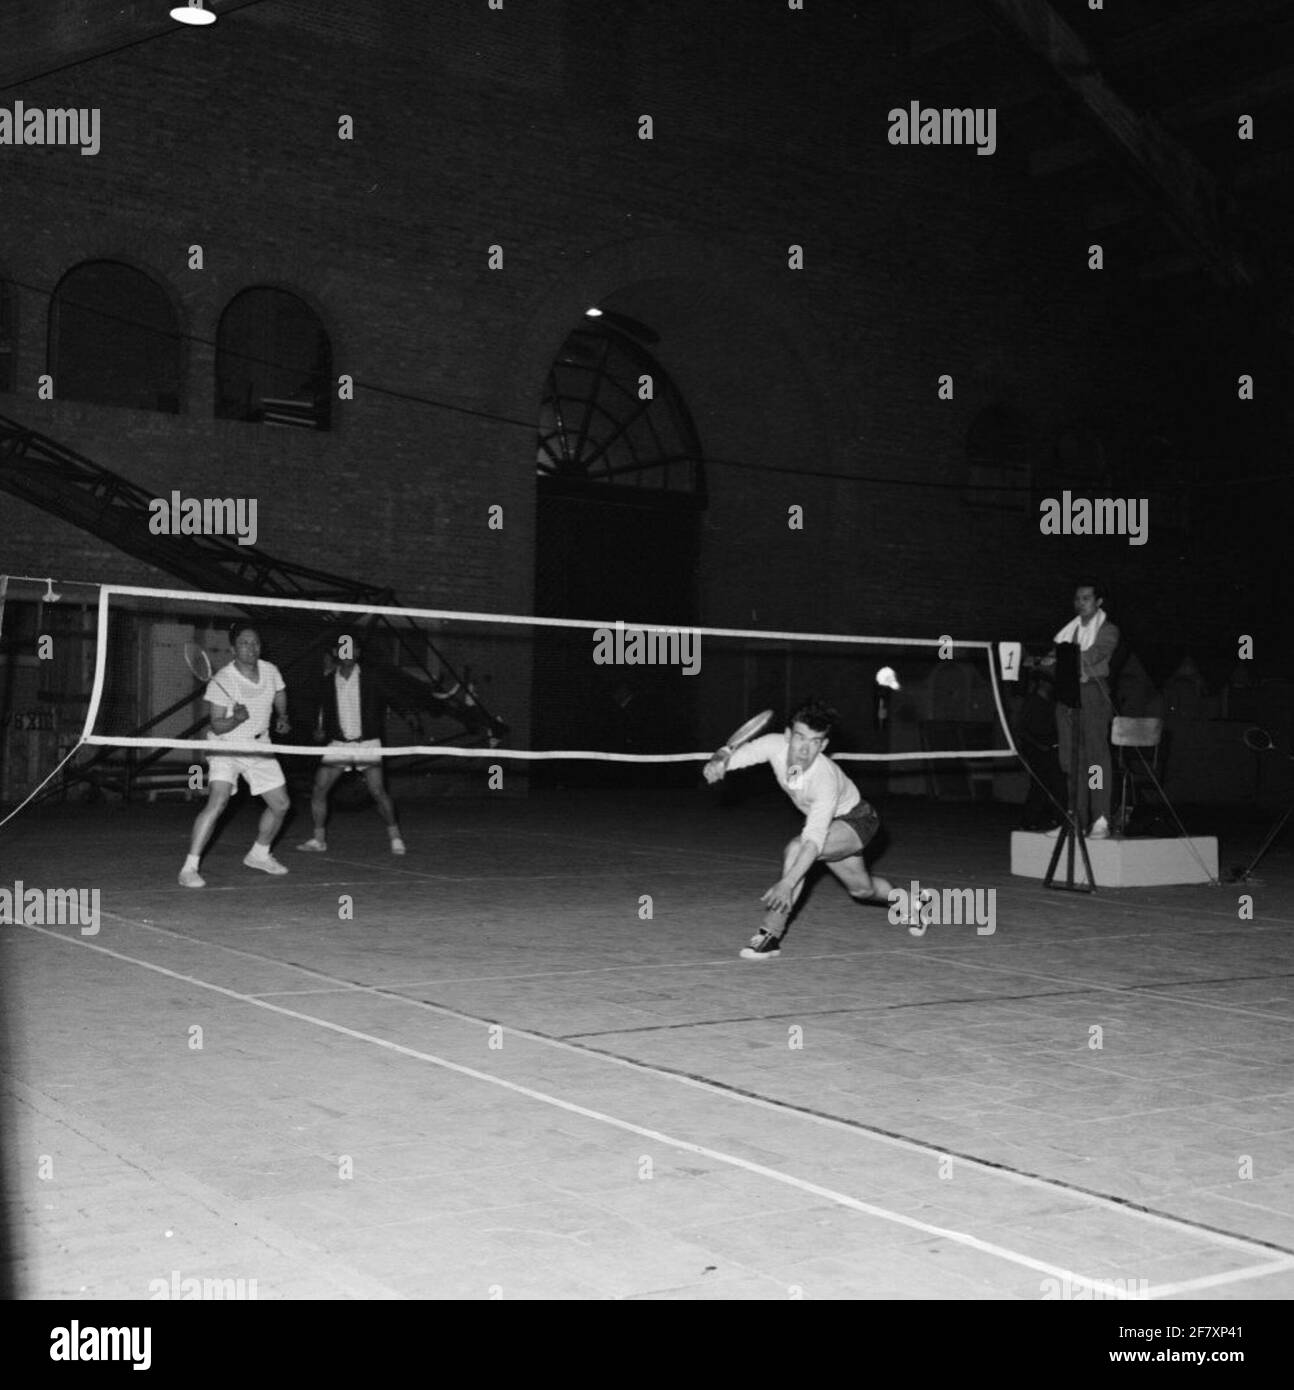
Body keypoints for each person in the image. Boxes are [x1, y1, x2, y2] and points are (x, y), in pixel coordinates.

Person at [703, 699, 929, 960]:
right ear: (788, 736)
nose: (805, 748)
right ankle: (913, 902)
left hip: (857, 820)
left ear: (823, 745)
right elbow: (730, 758)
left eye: (814, 741)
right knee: (862, 890)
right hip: (833, 825)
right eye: (800, 738)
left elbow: (813, 842)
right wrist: (717, 764)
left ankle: (770, 934)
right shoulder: (774, 745)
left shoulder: (824, 779)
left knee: (797, 848)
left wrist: (787, 884)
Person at [179, 625, 291, 887]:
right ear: (233, 648)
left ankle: (259, 854)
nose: (251, 648)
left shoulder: (271, 671)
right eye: (244, 644)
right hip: (226, 747)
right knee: (217, 802)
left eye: (255, 643)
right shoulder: (223, 680)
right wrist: (235, 719)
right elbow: (217, 725)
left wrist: (283, 716)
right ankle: (189, 868)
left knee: (282, 805)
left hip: (260, 745)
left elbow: (279, 693)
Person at [297, 636, 405, 855]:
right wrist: (320, 729)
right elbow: (322, 710)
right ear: (337, 652)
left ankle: (395, 837)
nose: (347, 652)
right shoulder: (328, 681)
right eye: (342, 648)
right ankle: (318, 840)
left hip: (368, 743)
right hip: (339, 744)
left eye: (352, 648)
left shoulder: (371, 678)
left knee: (377, 791)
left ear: (357, 653)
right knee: (319, 790)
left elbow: (392, 697)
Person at [1040, 581, 1120, 839]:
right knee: (1072, 760)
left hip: (1092, 697)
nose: (1080, 602)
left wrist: (1063, 662)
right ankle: (1074, 820)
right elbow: (1052, 661)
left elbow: (1094, 655)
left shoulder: (1108, 630)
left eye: (1086, 598)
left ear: (1098, 602)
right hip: (1067, 697)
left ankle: (1100, 819)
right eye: (1077, 598)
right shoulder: (1068, 633)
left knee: (1096, 758)